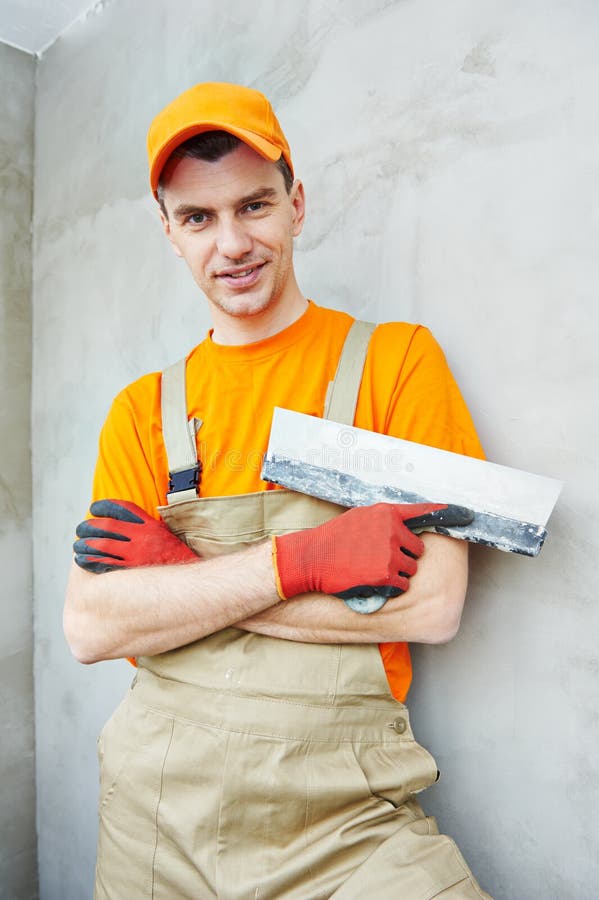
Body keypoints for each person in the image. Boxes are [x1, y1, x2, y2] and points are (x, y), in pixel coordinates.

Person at [64, 82, 492, 899]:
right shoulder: (140, 412)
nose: (232, 244)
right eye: (198, 219)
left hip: (345, 820)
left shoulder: (397, 363)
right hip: (155, 820)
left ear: (296, 204)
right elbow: (92, 625)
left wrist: (181, 573)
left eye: (253, 206)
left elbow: (430, 607)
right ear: (169, 232)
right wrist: (299, 561)